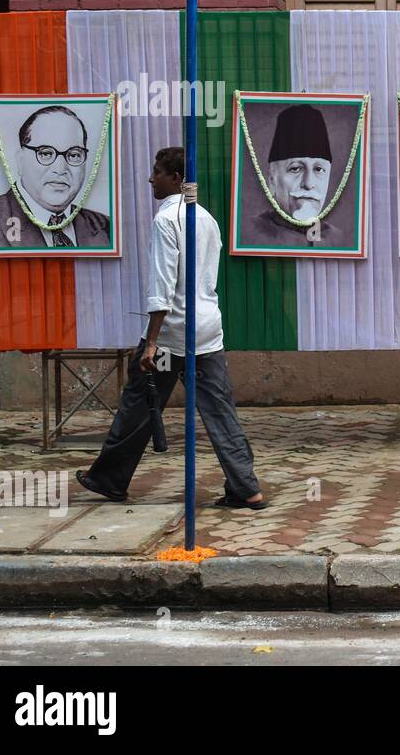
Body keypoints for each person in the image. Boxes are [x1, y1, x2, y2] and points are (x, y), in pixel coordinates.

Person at [76, 147, 266, 510]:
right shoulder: (207, 219)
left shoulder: (167, 221)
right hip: (208, 330)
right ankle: (247, 487)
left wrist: (151, 342)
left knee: (139, 403)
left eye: (157, 172)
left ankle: (109, 479)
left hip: (171, 335)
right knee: (220, 410)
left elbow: (162, 285)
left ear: (176, 179)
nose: (151, 179)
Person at [0, 105, 111, 249]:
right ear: (20, 160)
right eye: (46, 153)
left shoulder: (107, 227)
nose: (60, 169)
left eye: (74, 155)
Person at [242, 104, 344, 248]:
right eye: (296, 168)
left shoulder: (337, 239)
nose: (308, 183)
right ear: (272, 180)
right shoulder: (250, 235)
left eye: (319, 169)